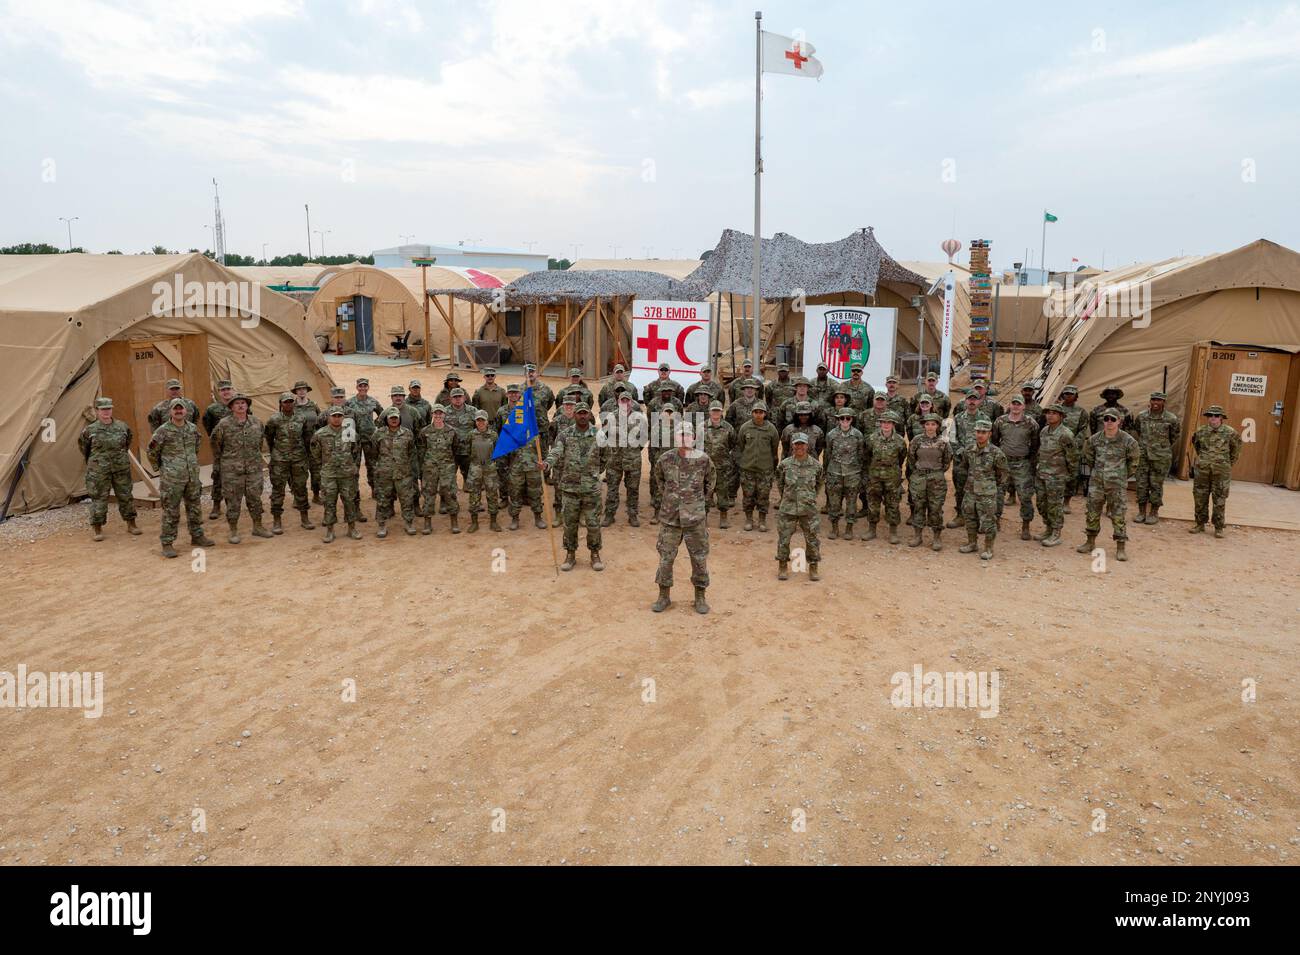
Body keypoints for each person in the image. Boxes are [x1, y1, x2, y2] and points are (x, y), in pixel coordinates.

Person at [651, 421, 716, 614]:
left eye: (688, 436)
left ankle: (700, 596)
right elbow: (659, 480)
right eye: (680, 435)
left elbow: (710, 483)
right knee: (666, 558)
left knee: (699, 558)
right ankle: (663, 596)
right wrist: (672, 498)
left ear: (694, 438)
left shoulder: (703, 460)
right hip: (671, 518)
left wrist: (697, 503)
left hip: (694, 518)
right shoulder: (665, 459)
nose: (684, 439)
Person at [148, 398, 214, 558]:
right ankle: (167, 543)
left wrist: (189, 465)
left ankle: (197, 536)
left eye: (181, 409)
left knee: (195, 508)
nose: (178, 411)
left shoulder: (192, 429)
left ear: (186, 411)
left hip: (191, 476)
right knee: (171, 511)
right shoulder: (162, 431)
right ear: (170, 411)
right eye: (175, 409)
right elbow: (152, 452)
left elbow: (196, 448)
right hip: (172, 479)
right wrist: (164, 468)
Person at [544, 401, 604, 571]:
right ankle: (570, 554)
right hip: (570, 488)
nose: (583, 416)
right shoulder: (565, 434)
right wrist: (547, 464)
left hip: (591, 488)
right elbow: (556, 451)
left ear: (589, 415)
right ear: (575, 415)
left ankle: (595, 553)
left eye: (585, 413)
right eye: (580, 413)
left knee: (593, 523)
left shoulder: (598, 434)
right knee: (570, 524)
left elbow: (606, 455)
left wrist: (594, 472)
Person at [1078, 409, 1140, 561]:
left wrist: (1121, 475)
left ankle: (1120, 547)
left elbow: (1134, 462)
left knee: (1118, 514)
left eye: (1113, 419)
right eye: (1106, 419)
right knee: (1092, 511)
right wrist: (1099, 472)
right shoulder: (1094, 439)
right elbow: (1089, 456)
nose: (1109, 422)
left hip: (1117, 484)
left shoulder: (1128, 440)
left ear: (1119, 421)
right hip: (1097, 482)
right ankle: (1090, 541)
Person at [210, 393, 272, 544]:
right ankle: (233, 530)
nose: (240, 405)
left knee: (255, 499)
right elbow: (215, 444)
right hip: (232, 470)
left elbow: (259, 443)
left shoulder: (257, 422)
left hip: (253, 469)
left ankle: (257, 526)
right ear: (231, 407)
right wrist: (226, 460)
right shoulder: (223, 424)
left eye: (243, 403)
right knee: (233, 501)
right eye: (236, 403)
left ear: (247, 405)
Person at [78, 397, 141, 540]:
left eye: (108, 409)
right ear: (97, 411)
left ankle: (131, 524)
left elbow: (127, 443)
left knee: (126, 496)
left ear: (112, 409)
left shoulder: (122, 427)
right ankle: (97, 528)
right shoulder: (90, 430)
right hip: (99, 471)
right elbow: (84, 448)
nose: (106, 412)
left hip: (121, 468)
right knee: (99, 498)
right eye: (103, 409)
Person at [775, 433, 824, 580]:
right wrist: (788, 498)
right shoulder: (785, 465)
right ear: (792, 446)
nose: (799, 447)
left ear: (807, 446)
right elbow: (780, 484)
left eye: (802, 444)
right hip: (788, 508)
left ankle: (813, 567)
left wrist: (808, 498)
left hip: (808, 509)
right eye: (797, 444)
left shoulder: (816, 465)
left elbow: (819, 484)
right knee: (784, 538)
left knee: (812, 539)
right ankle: (782, 566)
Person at [959, 418, 1010, 560]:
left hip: (987, 493)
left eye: (984, 432)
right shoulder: (969, 449)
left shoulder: (996, 453)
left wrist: (991, 486)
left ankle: (988, 548)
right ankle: (972, 543)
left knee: (988, 521)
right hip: (970, 491)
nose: (980, 434)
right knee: (969, 518)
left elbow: (1004, 474)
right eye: (978, 432)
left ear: (990, 434)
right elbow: (964, 466)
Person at [264, 392, 314, 534]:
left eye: (291, 401)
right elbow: (269, 436)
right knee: (278, 490)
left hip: (298, 458)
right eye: (285, 402)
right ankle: (277, 521)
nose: (288, 404)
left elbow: (306, 435)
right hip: (280, 460)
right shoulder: (274, 419)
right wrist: (276, 452)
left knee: (301, 488)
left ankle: (305, 518)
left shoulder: (301, 417)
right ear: (281, 404)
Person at [1189, 405, 1243, 537]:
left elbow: (1236, 451)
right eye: (1210, 415)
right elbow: (1197, 447)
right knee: (1200, 497)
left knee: (1219, 498)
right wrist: (1205, 461)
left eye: (1216, 416)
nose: (1213, 418)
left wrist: (1225, 464)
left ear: (1221, 418)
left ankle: (1218, 527)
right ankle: (1200, 524)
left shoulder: (1231, 433)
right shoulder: (1200, 431)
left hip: (1221, 471)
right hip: (1202, 471)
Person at [992, 395, 1040, 539]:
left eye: (1019, 404)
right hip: (1004, 463)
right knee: (998, 494)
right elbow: (994, 441)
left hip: (1022, 463)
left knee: (1025, 496)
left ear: (1023, 406)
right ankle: (996, 521)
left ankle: (1026, 526)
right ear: (1010, 405)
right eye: (1014, 404)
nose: (1016, 406)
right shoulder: (1000, 421)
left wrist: (1030, 462)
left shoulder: (1031, 423)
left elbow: (1035, 443)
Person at [312, 407, 363, 542]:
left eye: (339, 416)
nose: (337, 418)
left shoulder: (350, 433)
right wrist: (325, 466)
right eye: (334, 416)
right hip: (329, 475)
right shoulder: (320, 434)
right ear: (329, 417)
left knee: (349, 501)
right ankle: (330, 531)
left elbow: (356, 451)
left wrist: (350, 466)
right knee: (329, 502)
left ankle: (352, 528)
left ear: (343, 417)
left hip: (347, 474)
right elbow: (316, 454)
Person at [1033, 404, 1079, 548]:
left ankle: (1056, 532)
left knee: (1054, 505)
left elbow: (1072, 457)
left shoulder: (1066, 434)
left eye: (1054, 413)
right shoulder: (1044, 431)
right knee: (1041, 503)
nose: (1050, 415)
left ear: (1061, 416)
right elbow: (1041, 451)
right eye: (1048, 413)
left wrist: (1070, 474)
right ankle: (1048, 528)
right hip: (1042, 473)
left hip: (1057, 476)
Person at [1133, 391, 1181, 524]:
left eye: (1159, 400)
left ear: (1164, 402)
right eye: (1153, 399)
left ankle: (1154, 513)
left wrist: (1161, 447)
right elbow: (1138, 431)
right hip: (1143, 456)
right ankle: (1141, 512)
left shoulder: (1171, 418)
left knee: (1156, 485)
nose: (1155, 402)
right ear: (1150, 401)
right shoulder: (1142, 416)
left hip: (1161, 458)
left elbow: (1174, 436)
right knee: (1141, 484)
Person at [907, 412, 952, 550]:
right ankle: (917, 536)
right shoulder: (916, 440)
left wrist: (936, 472)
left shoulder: (943, 441)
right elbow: (911, 458)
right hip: (919, 477)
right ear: (923, 425)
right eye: (927, 424)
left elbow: (947, 461)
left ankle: (936, 537)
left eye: (933, 424)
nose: (930, 427)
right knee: (918, 506)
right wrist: (920, 471)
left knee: (935, 509)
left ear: (938, 426)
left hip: (936, 479)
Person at [372, 406, 419, 538]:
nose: (393, 420)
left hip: (403, 473)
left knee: (406, 499)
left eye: (396, 418)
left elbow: (411, 453)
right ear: (387, 419)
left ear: (400, 419)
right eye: (391, 418)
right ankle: (381, 525)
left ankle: (409, 523)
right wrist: (380, 468)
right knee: (382, 499)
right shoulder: (379, 434)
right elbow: (373, 453)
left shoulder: (407, 433)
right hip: (384, 474)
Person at [601, 391, 646, 527]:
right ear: (618, 402)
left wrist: (635, 450)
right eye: (622, 400)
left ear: (631, 402)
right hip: (614, 460)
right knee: (612, 489)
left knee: (633, 489)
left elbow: (644, 438)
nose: (625, 403)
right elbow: (604, 435)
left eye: (627, 400)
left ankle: (633, 515)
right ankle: (609, 515)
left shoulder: (639, 418)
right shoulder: (610, 417)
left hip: (633, 460)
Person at [735, 401, 780, 532]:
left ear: (765, 414)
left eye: (761, 412)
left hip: (765, 469)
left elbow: (774, 448)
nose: (758, 415)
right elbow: (741, 445)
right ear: (752, 413)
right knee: (748, 495)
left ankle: (762, 520)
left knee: (763, 495)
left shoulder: (771, 429)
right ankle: (749, 519)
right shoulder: (745, 428)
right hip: (748, 469)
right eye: (756, 412)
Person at [863, 411, 908, 543]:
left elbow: (901, 458)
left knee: (893, 504)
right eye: (883, 422)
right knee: (873, 503)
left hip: (892, 477)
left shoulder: (900, 441)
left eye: (889, 422)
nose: (886, 425)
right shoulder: (872, 439)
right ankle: (872, 530)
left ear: (893, 424)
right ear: (880, 424)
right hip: (875, 477)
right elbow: (867, 455)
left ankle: (893, 532)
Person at [417, 404, 461, 534]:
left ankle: (454, 521)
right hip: (430, 468)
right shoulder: (425, 432)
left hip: (447, 467)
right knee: (428, 494)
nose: (438, 416)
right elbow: (421, 450)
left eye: (440, 413)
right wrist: (423, 467)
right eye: (435, 413)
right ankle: (427, 522)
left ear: (444, 415)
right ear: (432, 415)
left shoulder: (452, 431)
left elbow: (455, 449)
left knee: (450, 493)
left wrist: (451, 465)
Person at [824, 408, 867, 541]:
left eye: (848, 418)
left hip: (852, 473)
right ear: (838, 419)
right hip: (834, 472)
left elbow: (861, 454)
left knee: (851, 502)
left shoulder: (858, 435)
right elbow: (828, 454)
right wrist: (827, 471)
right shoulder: (831, 435)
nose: (845, 421)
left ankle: (849, 528)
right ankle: (834, 527)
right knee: (834, 502)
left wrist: (858, 472)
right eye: (842, 418)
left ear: (852, 419)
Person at [947, 391, 984, 528]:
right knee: (960, 489)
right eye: (969, 399)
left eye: (975, 399)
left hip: (978, 461)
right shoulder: (958, 418)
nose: (972, 402)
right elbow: (952, 437)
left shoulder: (984, 418)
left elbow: (988, 438)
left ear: (979, 401)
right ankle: (960, 516)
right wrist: (961, 452)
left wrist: (977, 452)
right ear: (965, 401)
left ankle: (977, 518)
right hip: (961, 461)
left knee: (978, 490)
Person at [464, 410, 503, 533]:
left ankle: (493, 521)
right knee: (474, 495)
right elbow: (466, 451)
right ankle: (474, 522)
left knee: (492, 495)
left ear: (487, 421)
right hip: (475, 468)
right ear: (475, 422)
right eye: (478, 420)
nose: (480, 423)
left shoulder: (493, 435)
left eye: (483, 420)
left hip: (490, 468)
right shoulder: (471, 435)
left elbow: (498, 451)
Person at [201, 379, 234, 518]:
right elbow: (208, 427)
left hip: (237, 447)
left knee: (235, 477)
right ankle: (216, 506)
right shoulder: (212, 409)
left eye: (228, 389)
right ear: (219, 392)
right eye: (223, 390)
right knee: (218, 475)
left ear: (232, 390)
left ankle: (232, 505)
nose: (226, 392)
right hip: (221, 449)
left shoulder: (239, 404)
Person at [701, 400, 737, 527]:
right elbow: (697, 446)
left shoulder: (728, 428)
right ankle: (703, 517)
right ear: (709, 412)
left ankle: (723, 518)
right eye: (713, 410)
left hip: (723, 467)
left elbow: (733, 444)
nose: (716, 413)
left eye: (718, 411)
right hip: (705, 468)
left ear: (722, 412)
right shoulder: (702, 427)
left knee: (723, 492)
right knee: (704, 492)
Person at [1054, 385, 1090, 510]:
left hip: (1073, 449)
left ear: (1076, 396)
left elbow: (1083, 429)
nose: (1068, 396)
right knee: (1056, 473)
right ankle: (1055, 500)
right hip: (1057, 447)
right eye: (1066, 393)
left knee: (1071, 475)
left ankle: (1066, 502)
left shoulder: (1081, 411)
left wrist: (1074, 444)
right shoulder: (1057, 409)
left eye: (1071, 394)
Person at [346, 377, 383, 497]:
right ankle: (354, 491)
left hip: (369, 439)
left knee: (372, 465)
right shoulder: (350, 402)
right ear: (357, 387)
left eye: (365, 386)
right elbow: (344, 418)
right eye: (360, 386)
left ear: (368, 387)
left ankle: (374, 489)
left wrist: (374, 424)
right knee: (354, 466)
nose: (363, 388)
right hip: (355, 439)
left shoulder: (373, 401)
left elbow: (382, 414)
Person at [290, 380, 322, 503]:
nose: (302, 391)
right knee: (298, 472)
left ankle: (316, 495)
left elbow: (320, 421)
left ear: (307, 391)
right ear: (296, 392)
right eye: (299, 389)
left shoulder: (313, 405)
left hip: (313, 443)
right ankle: (297, 497)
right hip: (298, 444)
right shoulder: (291, 406)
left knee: (315, 470)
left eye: (304, 389)